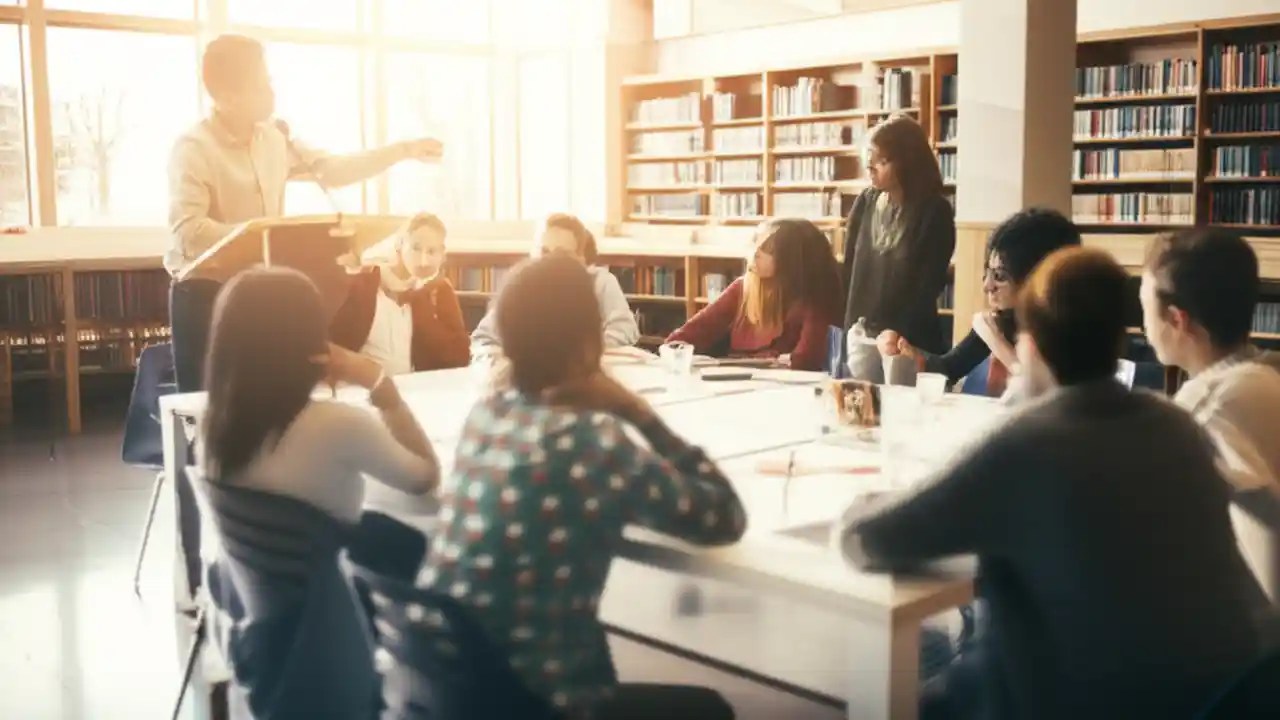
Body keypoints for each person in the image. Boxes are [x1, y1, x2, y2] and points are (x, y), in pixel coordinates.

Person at [837, 247, 1267, 720]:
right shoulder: (1176, 425)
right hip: (1235, 695)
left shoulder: (1029, 443)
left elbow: (864, 540)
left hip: (1101, 702)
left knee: (926, 676)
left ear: (1031, 345)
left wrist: (1021, 400)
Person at [424, 255, 744, 720]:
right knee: (710, 710)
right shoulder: (592, 444)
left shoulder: (486, 416)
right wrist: (637, 411)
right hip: (531, 701)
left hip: (448, 686)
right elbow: (723, 518)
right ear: (588, 343)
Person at [168, 33, 443, 394]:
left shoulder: (275, 138)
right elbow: (189, 232)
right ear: (226, 98)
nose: (271, 90)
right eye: (261, 83)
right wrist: (260, 233)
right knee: (207, 414)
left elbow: (331, 169)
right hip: (204, 293)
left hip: (256, 288)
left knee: (260, 404)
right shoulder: (193, 148)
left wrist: (402, 150)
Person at [200, 266, 440, 523]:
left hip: (249, 564)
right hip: (326, 561)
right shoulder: (339, 426)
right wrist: (379, 383)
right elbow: (424, 478)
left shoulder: (213, 425)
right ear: (312, 341)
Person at [1140, 228, 1280, 601]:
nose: (1143, 327)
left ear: (1176, 319)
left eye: (1145, 309)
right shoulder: (1267, 375)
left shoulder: (1204, 408)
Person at [877, 208, 1081, 395]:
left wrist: (995, 341)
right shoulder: (1000, 321)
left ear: (1036, 279)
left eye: (1000, 277)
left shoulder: (1068, 334)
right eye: (987, 273)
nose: (987, 286)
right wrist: (911, 356)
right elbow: (948, 368)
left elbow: (1053, 399)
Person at [842, 116, 955, 370]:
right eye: (869, 159)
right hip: (862, 333)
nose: (870, 167)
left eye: (881, 161)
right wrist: (848, 328)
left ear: (907, 161)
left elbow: (928, 283)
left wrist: (896, 332)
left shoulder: (934, 210)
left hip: (908, 339)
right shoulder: (866, 202)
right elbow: (850, 269)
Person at [665, 218, 843, 370]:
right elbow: (686, 336)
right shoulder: (743, 288)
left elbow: (805, 360)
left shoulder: (813, 299)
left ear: (793, 259)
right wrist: (675, 351)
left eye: (768, 250)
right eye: (756, 245)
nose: (756, 254)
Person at [471, 213, 639, 356]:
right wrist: (502, 363)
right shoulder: (520, 286)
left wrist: (584, 354)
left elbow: (624, 328)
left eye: (561, 254)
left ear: (581, 259)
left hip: (585, 373)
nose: (548, 261)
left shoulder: (600, 282)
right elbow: (483, 338)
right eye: (544, 252)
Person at [329, 212, 470, 375]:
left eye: (431, 252)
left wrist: (421, 300)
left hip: (416, 388)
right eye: (416, 249)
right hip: (360, 388)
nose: (423, 261)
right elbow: (336, 343)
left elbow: (460, 358)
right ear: (399, 245)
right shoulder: (365, 284)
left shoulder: (439, 291)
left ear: (442, 254)